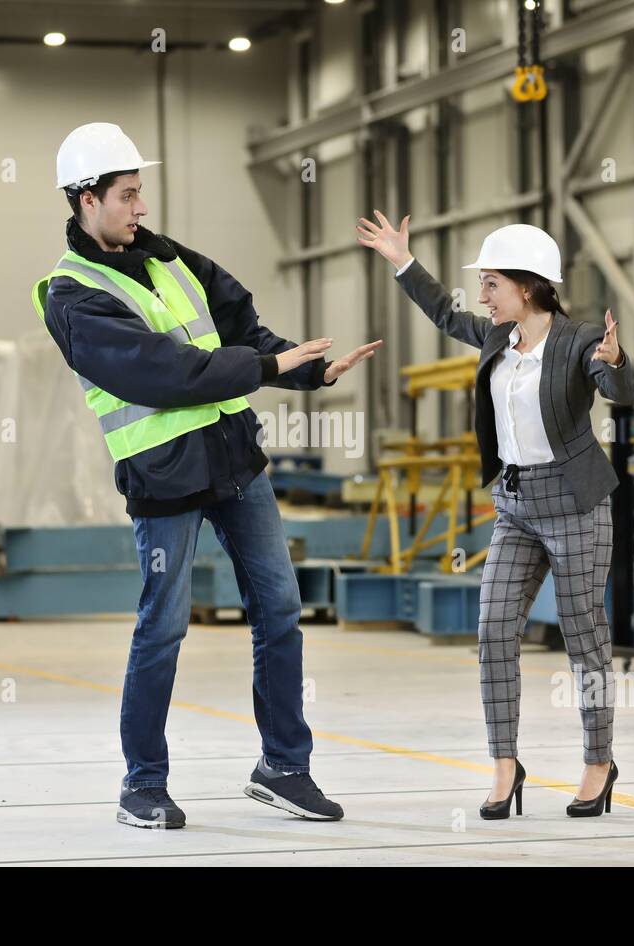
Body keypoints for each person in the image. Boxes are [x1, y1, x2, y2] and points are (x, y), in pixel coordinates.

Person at [34, 122, 381, 829]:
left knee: (280, 609)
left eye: (140, 194)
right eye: (128, 196)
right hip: (164, 476)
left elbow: (241, 328)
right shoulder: (70, 297)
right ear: (85, 199)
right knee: (162, 628)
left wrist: (311, 367)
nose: (140, 208)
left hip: (233, 460)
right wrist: (267, 367)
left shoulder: (169, 260)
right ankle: (143, 785)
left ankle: (284, 767)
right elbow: (163, 372)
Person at [357, 211, 634, 820]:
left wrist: (615, 364)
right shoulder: (494, 338)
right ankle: (506, 765)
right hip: (514, 506)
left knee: (584, 637)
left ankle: (598, 762)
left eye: (491, 283)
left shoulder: (582, 340)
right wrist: (402, 260)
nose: (481, 295)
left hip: (575, 505)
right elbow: (442, 311)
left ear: (529, 286)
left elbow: (622, 391)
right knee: (492, 632)